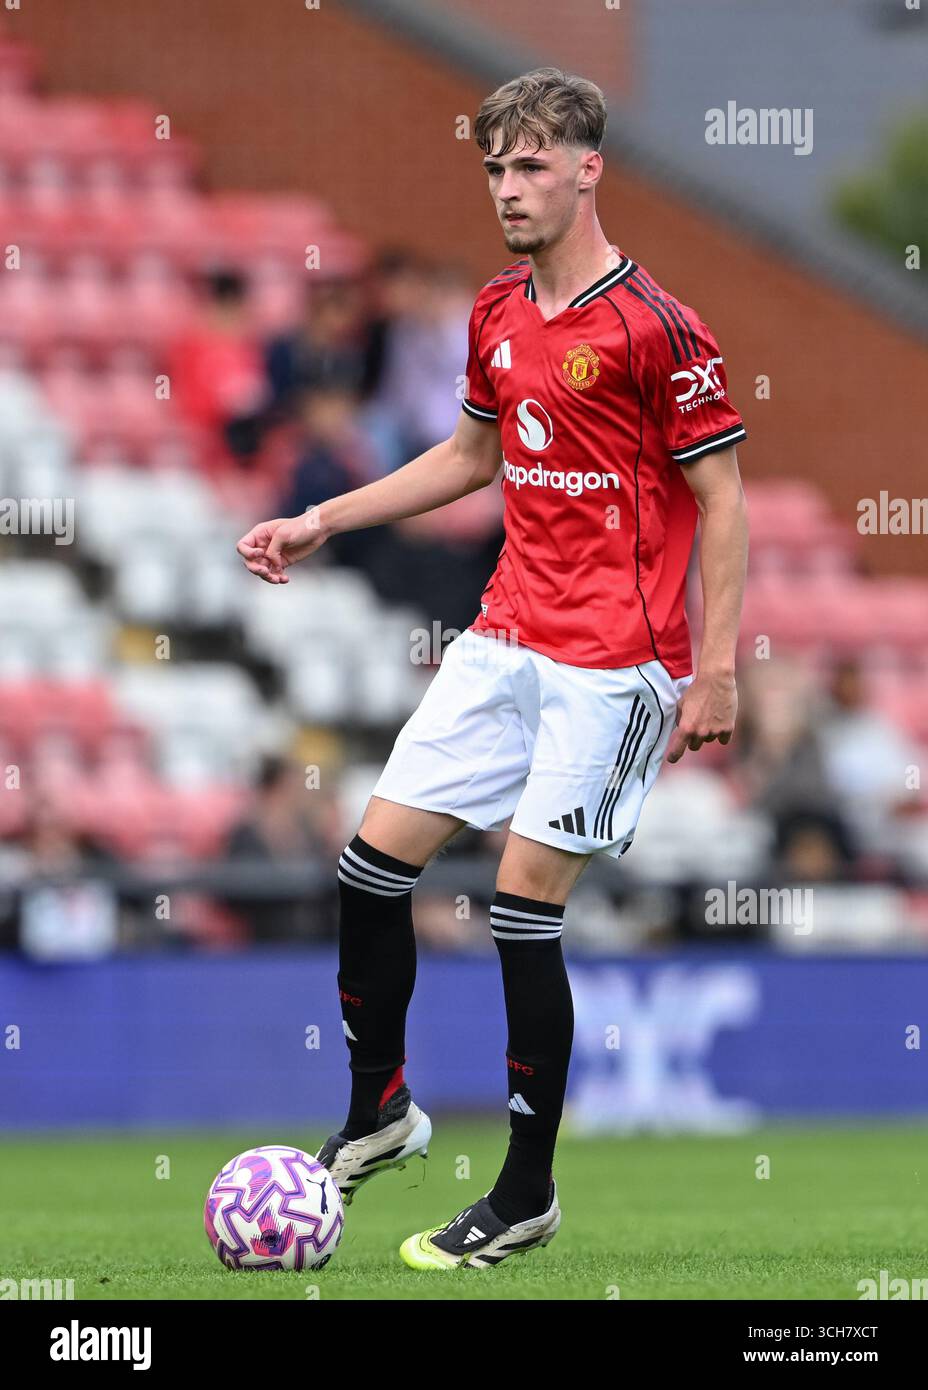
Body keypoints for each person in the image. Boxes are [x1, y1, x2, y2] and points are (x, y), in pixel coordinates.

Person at [236, 68, 748, 1272]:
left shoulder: (657, 330)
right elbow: (470, 457)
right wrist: (326, 518)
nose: (509, 191)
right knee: (368, 864)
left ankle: (523, 1192)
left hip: (612, 664)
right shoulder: (496, 312)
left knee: (523, 904)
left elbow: (720, 501)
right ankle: (382, 1109)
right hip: (504, 633)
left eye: (530, 167)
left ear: (587, 169)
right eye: (494, 171)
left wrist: (714, 669)